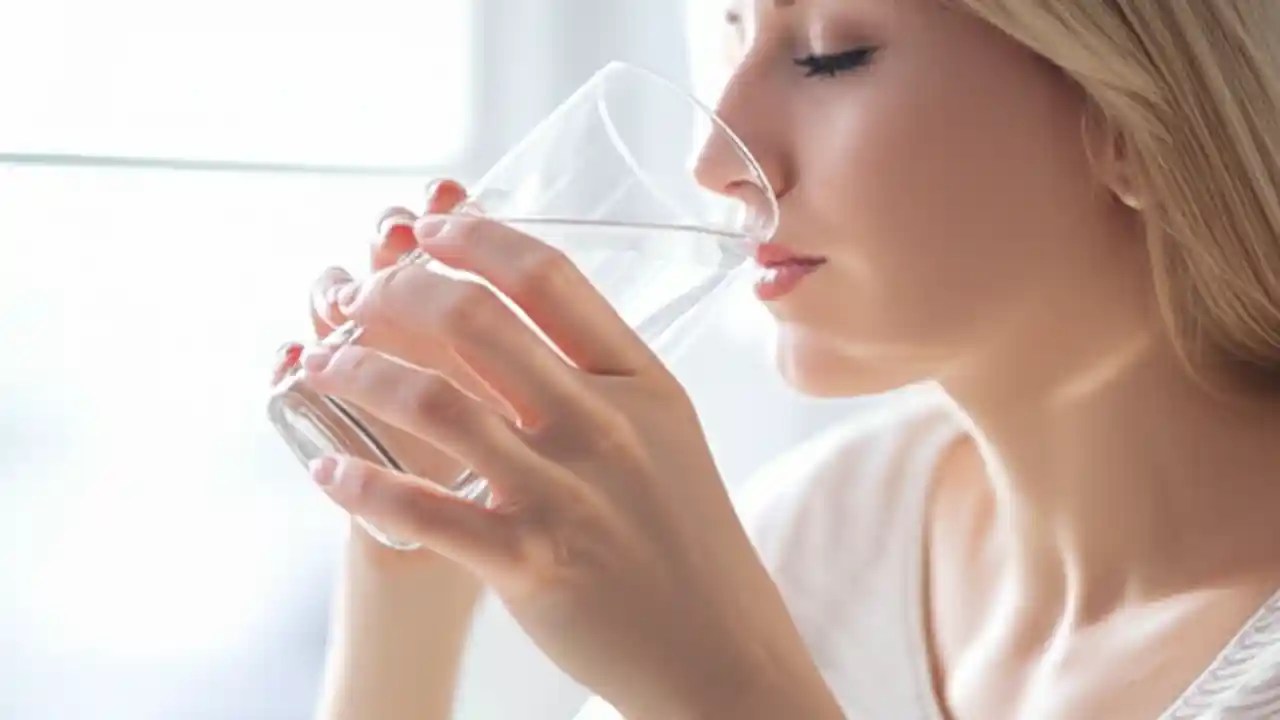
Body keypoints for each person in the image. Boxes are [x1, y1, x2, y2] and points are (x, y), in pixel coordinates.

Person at [273, 0, 1280, 717]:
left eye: (831, 56)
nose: (715, 162)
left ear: (1138, 120)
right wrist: (409, 559)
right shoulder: (829, 529)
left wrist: (728, 688)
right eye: (730, 29)